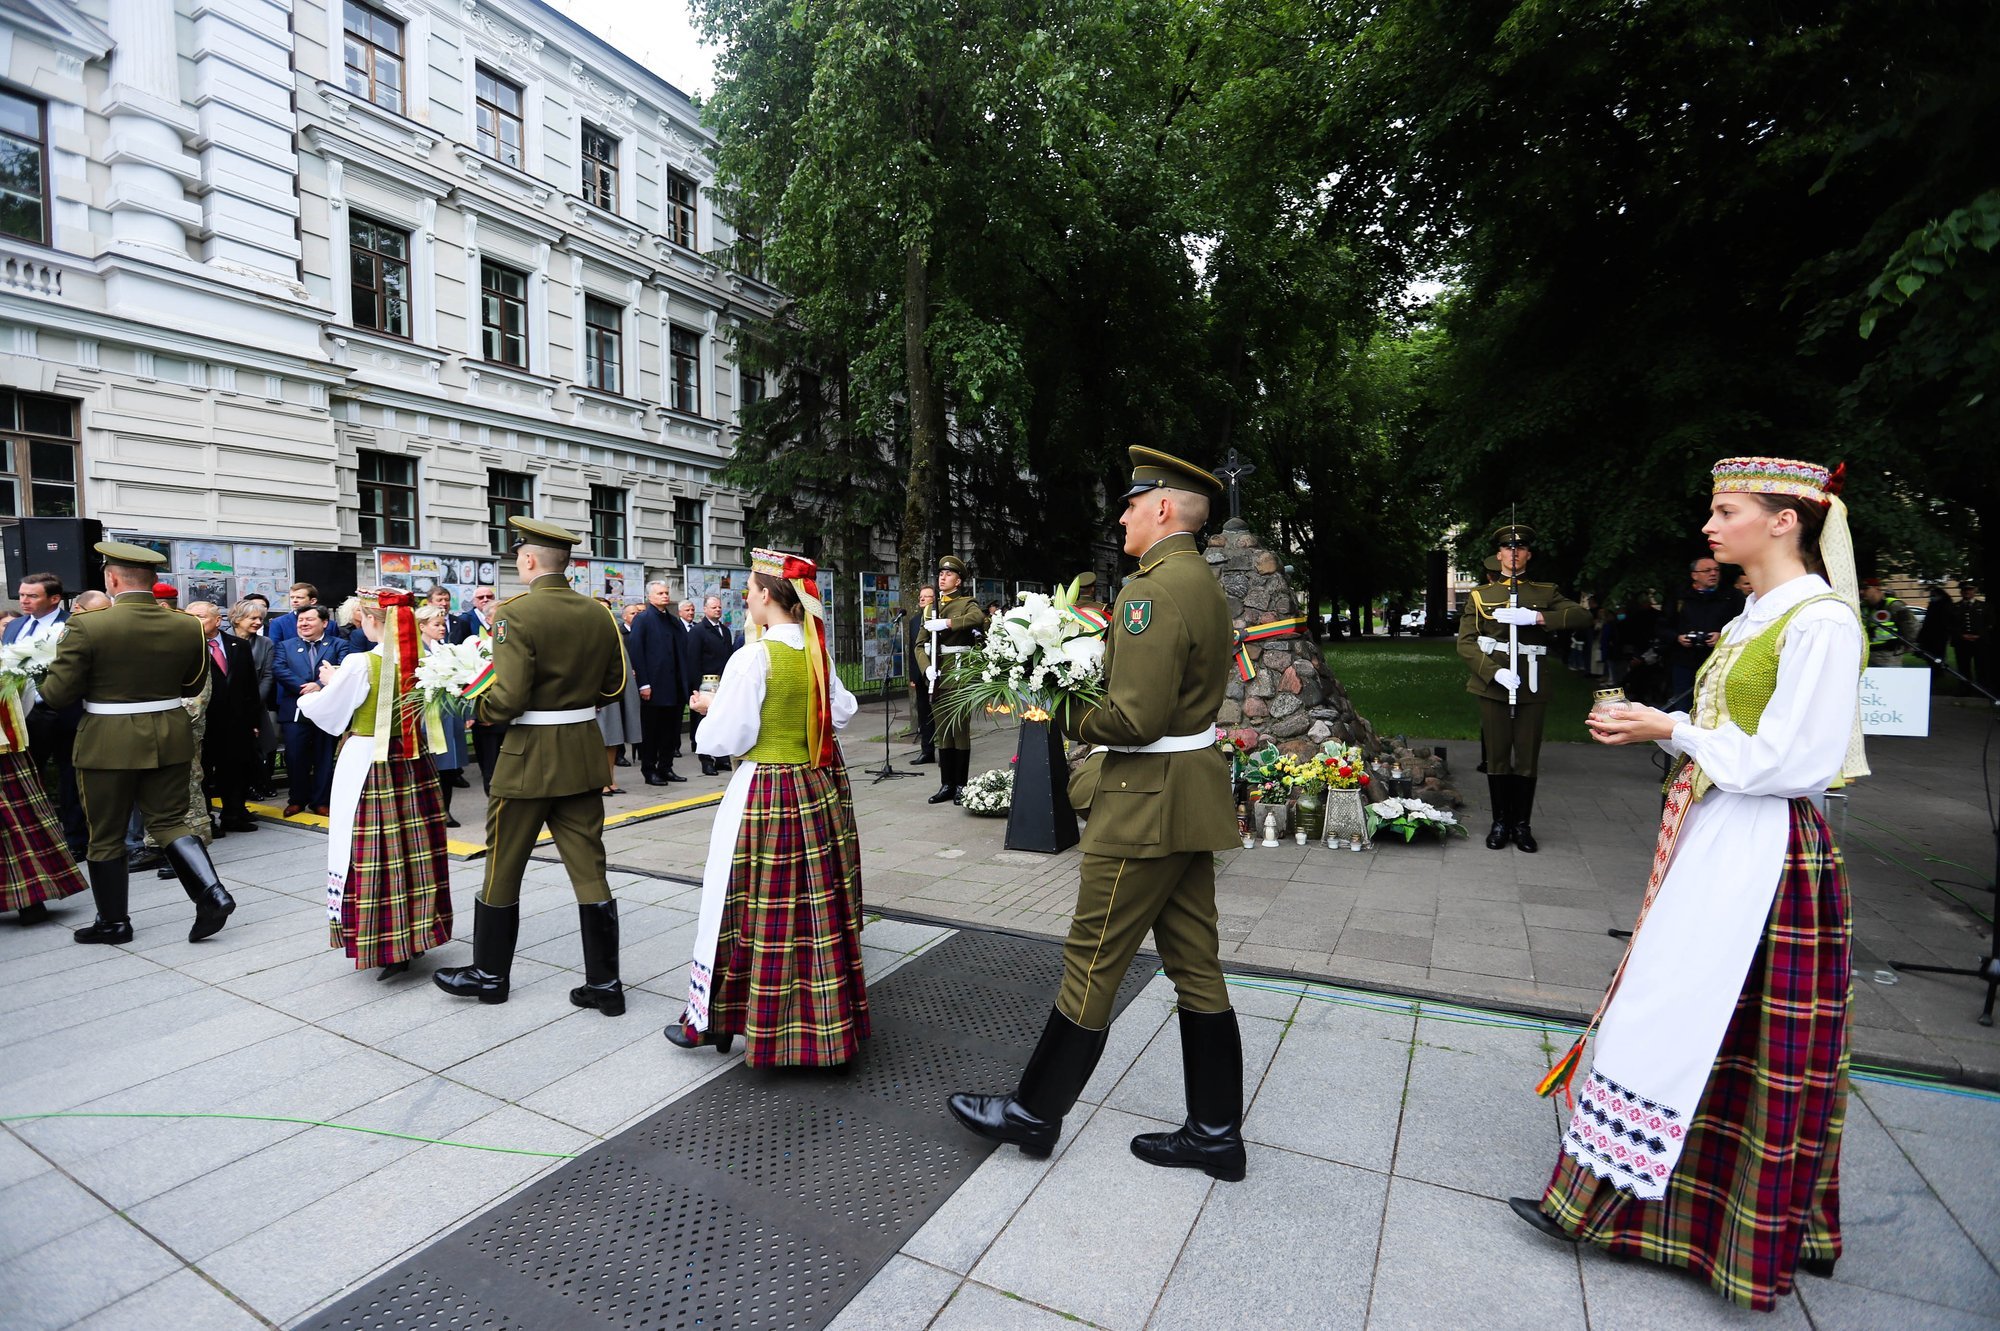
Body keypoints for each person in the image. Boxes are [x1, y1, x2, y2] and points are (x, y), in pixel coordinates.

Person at [1512, 455, 1867, 1313]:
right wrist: (1663, 731)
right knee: (1682, 1017)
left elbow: (1794, 760)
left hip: (1767, 852)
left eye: (1726, 509)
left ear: (1785, 520)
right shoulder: (1760, 611)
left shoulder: (1821, 622)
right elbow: (1727, 735)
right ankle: (1645, 1213)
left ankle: (1734, 1228)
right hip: (1723, 834)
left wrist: (1670, 725)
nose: (1709, 527)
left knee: (1721, 1027)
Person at [948, 448, 1246, 1181]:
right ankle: (1215, 1133)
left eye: (1132, 503)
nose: (1121, 515)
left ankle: (1033, 1111)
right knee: (1196, 967)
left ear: (1164, 509)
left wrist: (1055, 704)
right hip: (1186, 796)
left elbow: (1135, 717)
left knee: (1091, 958)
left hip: (1144, 804)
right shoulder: (1198, 583)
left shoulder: (1154, 591)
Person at [666, 547, 867, 1065]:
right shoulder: (814, 652)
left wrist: (708, 709)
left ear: (767, 597)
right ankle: (820, 1024)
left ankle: (715, 1018)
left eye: (750, 592)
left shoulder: (753, 656)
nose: (746, 600)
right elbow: (842, 712)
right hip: (814, 789)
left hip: (766, 790)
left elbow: (727, 736)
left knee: (739, 900)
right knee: (812, 907)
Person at [434, 518, 630, 1013]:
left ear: (527, 560)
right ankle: (605, 986)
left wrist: (477, 709)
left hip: (527, 759)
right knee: (590, 867)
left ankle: (489, 976)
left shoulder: (514, 614)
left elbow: (511, 695)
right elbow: (614, 685)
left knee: (503, 865)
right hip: (583, 752)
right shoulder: (598, 613)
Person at [38, 541, 237, 946]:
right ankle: (211, 892)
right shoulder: (186, 625)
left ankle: (113, 923)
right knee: (169, 822)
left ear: (111, 580)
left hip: (108, 742)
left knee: (106, 834)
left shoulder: (88, 625)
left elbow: (57, 696)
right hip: (170, 733)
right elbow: (192, 683)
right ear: (154, 581)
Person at [301, 589, 453, 980]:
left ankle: (384, 940)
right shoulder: (426, 660)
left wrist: (322, 688)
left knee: (370, 850)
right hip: (415, 763)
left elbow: (329, 713)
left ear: (372, 621)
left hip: (369, 761)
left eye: (360, 621)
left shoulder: (359, 662)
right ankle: (417, 933)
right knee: (412, 849)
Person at [1456, 524, 1591, 852]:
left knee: (1527, 757)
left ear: (1528, 554)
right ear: (1498, 555)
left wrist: (1538, 619)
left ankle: (1522, 825)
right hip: (1495, 684)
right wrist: (1493, 673)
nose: (1513, 553)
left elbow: (1582, 617)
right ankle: (1500, 822)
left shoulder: (1544, 592)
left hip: (1531, 682)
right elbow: (1466, 643)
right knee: (1498, 756)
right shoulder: (1480, 595)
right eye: (1507, 548)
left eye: (1520, 548)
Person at [1, 577, 88, 923]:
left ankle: (76, 840)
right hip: (21, 723)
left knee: (69, 778)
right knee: (26, 800)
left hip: (62, 714)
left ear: (54, 598)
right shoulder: (15, 628)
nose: (24, 602)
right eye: (21, 595)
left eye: (31, 596)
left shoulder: (73, 626)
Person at [187, 601, 261, 833]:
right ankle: (207, 820)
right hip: (203, 722)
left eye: (199, 616)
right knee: (203, 772)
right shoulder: (186, 647)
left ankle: (234, 814)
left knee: (235, 769)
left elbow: (250, 685)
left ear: (217, 620)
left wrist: (254, 721)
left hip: (237, 721)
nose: (193, 622)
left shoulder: (238, 645)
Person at [924, 554, 988, 803]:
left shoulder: (966, 602)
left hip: (959, 675)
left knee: (960, 731)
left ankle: (962, 785)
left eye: (948, 574)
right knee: (943, 733)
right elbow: (920, 644)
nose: (943, 577)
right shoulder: (931, 608)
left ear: (958, 581)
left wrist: (948, 623)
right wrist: (925, 668)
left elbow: (978, 619)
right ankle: (946, 784)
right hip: (937, 675)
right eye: (941, 573)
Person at [274, 605, 348, 815]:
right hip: (295, 710)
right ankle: (297, 799)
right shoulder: (285, 646)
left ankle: (321, 801)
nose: (303, 624)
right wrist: (304, 687)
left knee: (324, 756)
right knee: (295, 756)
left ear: (324, 623)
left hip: (327, 710)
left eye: (309, 620)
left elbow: (342, 668)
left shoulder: (339, 644)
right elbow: (279, 669)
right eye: (300, 620)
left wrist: (320, 685)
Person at [1658, 556, 1744, 709]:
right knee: (1683, 704)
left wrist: (1723, 635)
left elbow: (1743, 625)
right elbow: (1662, 626)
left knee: (1714, 704)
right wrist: (1678, 638)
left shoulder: (1732, 596)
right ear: (1694, 575)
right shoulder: (1679, 596)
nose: (1713, 573)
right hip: (1684, 661)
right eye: (1707, 570)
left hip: (1718, 660)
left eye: (1716, 570)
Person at [629, 578, 691, 785]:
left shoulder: (673, 620)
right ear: (649, 596)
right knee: (652, 731)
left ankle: (666, 767)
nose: (665, 596)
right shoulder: (643, 619)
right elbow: (637, 652)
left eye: (666, 593)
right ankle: (649, 769)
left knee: (670, 731)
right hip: (654, 686)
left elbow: (681, 651)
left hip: (674, 686)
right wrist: (644, 684)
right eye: (660, 593)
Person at [415, 605, 469, 826]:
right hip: (427, 715)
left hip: (449, 714)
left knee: (449, 765)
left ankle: (444, 810)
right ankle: (425, 811)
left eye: (443, 624)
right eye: (436, 624)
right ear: (422, 626)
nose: (442, 628)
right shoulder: (415, 651)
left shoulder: (446, 648)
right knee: (428, 766)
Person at [229, 600, 279, 798]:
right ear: (237, 619)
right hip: (229, 706)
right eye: (253, 618)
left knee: (263, 747)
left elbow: (268, 675)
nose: (258, 622)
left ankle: (260, 783)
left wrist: (253, 703)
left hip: (256, 705)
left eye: (260, 618)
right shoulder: (224, 640)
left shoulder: (265, 643)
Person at [686, 595, 734, 775]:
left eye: (719, 607)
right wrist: (696, 686)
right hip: (705, 683)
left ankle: (721, 758)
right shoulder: (698, 631)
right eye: (714, 607)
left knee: (722, 719)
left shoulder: (725, 630)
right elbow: (693, 660)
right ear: (705, 609)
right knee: (704, 721)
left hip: (723, 682)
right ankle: (706, 759)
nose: (717, 610)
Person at [905, 584, 937, 765]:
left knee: (940, 712)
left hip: (938, 674)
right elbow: (913, 650)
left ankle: (948, 750)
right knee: (924, 713)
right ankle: (927, 751)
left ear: (934, 600)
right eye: (921, 596)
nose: (922, 599)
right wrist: (912, 676)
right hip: (921, 675)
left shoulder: (940, 617)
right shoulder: (915, 621)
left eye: (927, 596)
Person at [1859, 578, 1916, 668]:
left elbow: (1910, 627)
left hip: (1889, 656)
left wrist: (1907, 645)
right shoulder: (1862, 607)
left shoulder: (1893, 605)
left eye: (1865, 588)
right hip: (1866, 656)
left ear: (1876, 588)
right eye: (1860, 588)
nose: (1861, 591)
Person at [1956, 582, 1987, 688]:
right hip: (1962, 642)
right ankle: (1965, 689)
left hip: (1980, 642)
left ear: (1975, 591)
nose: (1967, 592)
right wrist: (1961, 635)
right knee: (1963, 667)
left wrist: (1980, 635)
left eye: (1970, 589)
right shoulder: (1955, 607)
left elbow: (1990, 623)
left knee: (1981, 666)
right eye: (1964, 590)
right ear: (1961, 592)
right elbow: (1950, 624)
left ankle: (1983, 689)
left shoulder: (1984, 606)